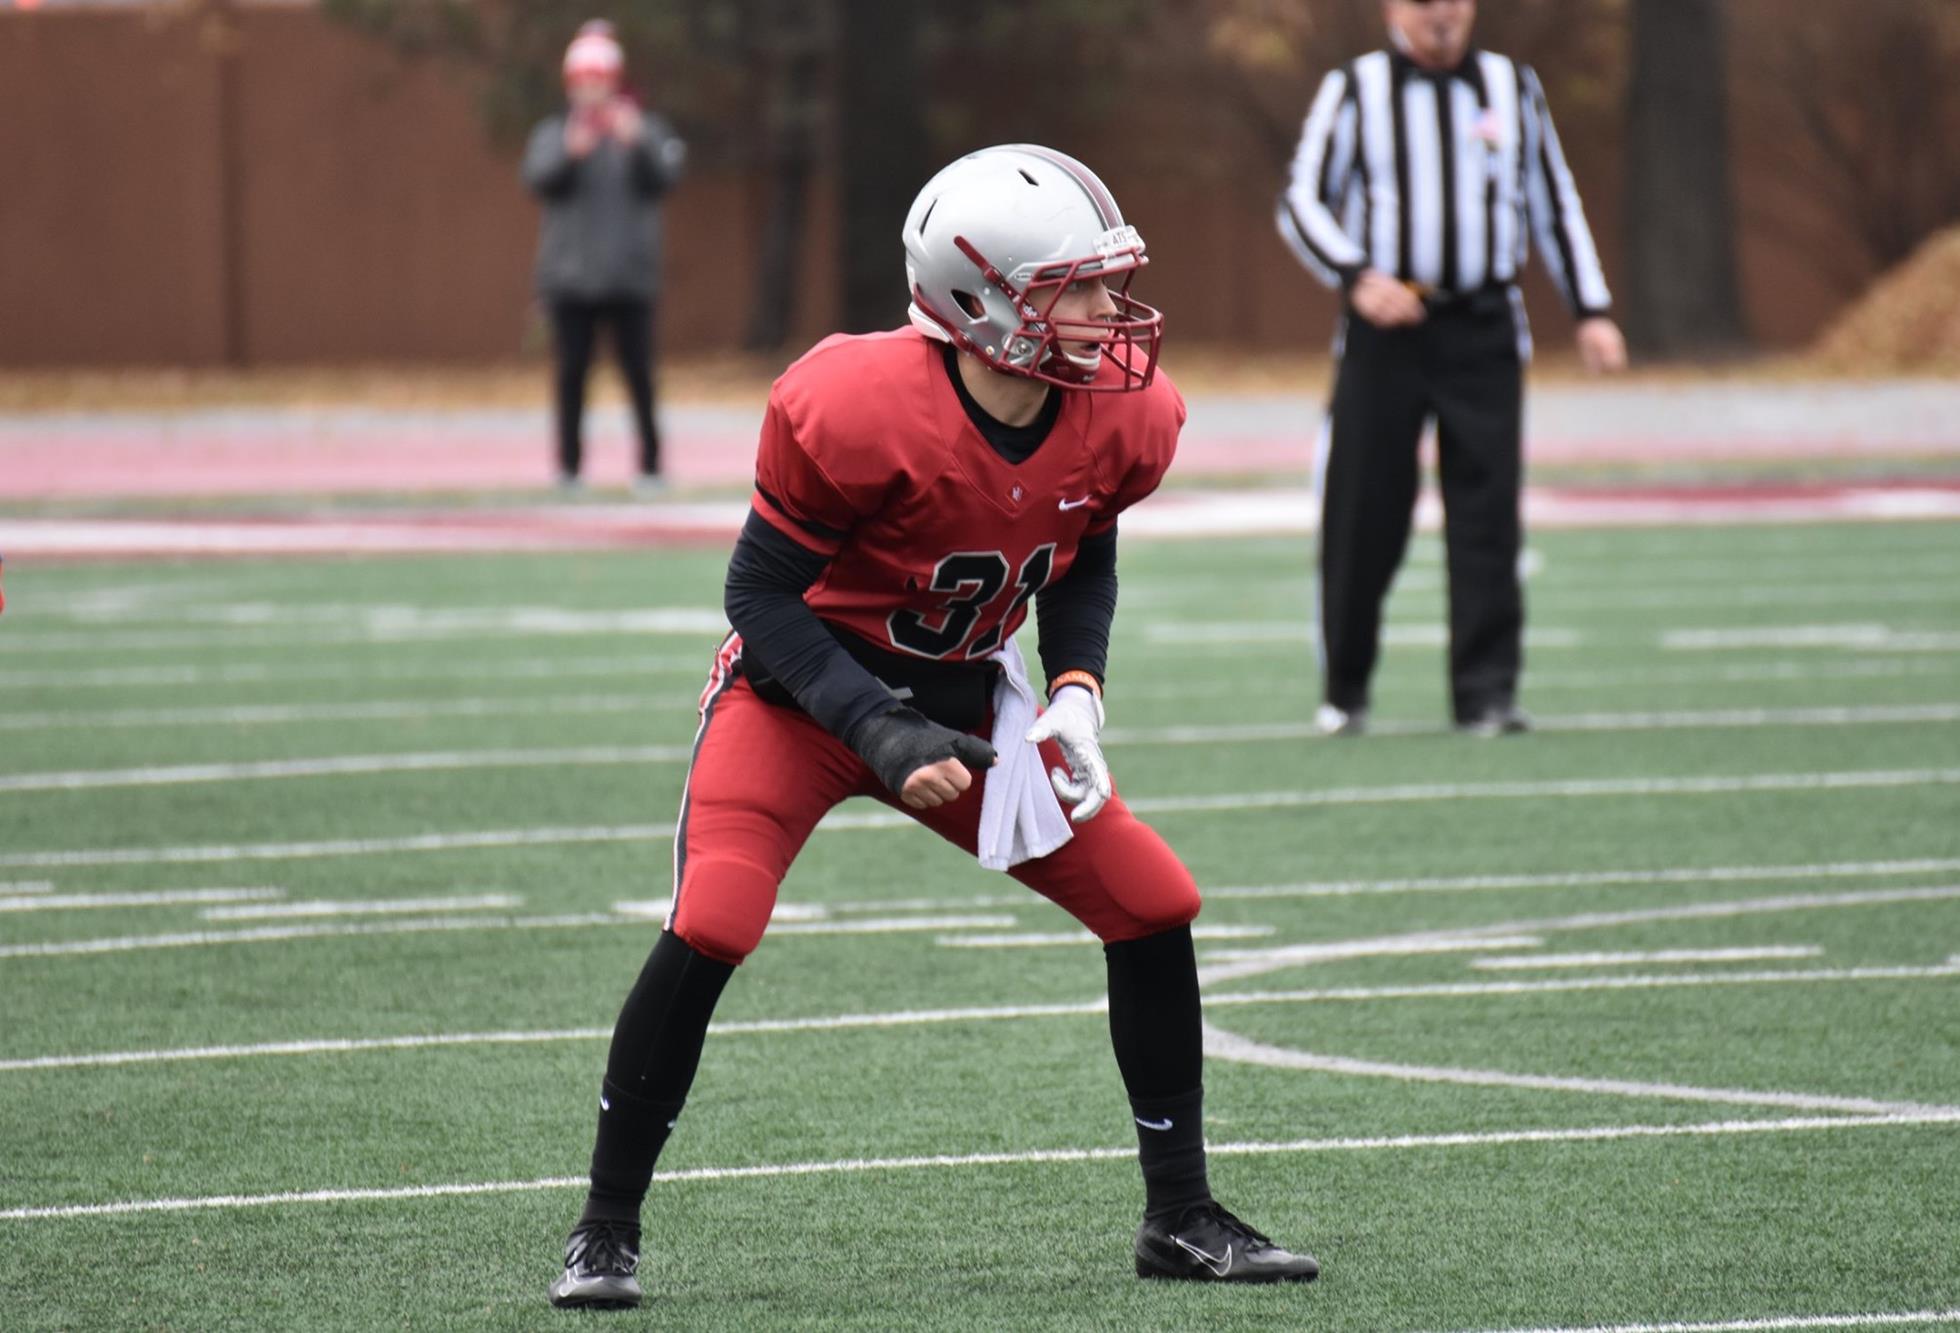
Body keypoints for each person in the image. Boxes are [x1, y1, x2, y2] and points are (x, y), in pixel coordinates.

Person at [547, 143, 1320, 1309]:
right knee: (716, 917)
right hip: (800, 699)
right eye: (1078, 285)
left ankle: (1179, 1214)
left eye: (1108, 282)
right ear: (984, 302)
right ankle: (605, 1229)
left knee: (1152, 900)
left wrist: (1072, 689)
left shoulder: (1118, 416)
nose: (1109, 310)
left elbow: (1080, 550)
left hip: (965, 705)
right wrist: (878, 729)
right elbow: (758, 600)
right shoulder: (855, 403)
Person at [1277, 0, 1627, 737]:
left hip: (1484, 325)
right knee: (1365, 509)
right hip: (1388, 327)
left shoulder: (1513, 85)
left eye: (1455, 1)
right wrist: (1356, 275)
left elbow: (1553, 200)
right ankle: (1347, 688)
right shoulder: (1356, 86)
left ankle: (1486, 692)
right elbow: (1301, 200)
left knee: (1489, 511)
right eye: (1425, 1)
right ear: (1393, 9)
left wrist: (1591, 309)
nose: (1442, 15)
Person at [521, 20, 687, 494]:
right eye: (583, 82)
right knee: (571, 377)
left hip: (629, 280)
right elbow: (536, 178)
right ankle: (569, 468)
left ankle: (651, 466)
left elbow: (667, 176)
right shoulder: (556, 134)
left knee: (640, 377)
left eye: (599, 80)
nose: (592, 91)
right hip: (570, 282)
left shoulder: (643, 130)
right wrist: (570, 155)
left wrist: (637, 144)